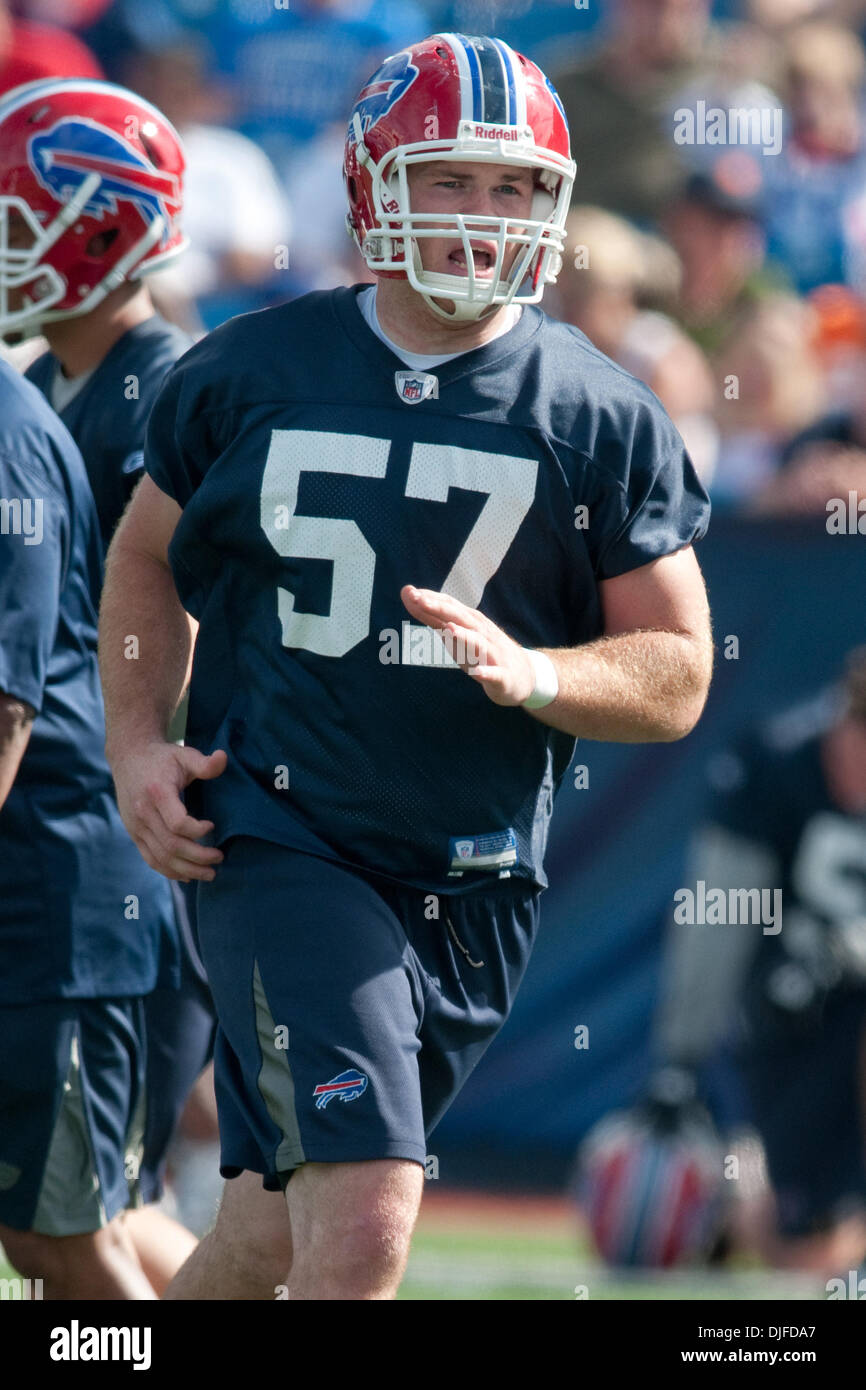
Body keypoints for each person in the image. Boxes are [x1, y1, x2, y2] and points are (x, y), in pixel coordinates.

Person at [99, 32, 715, 1301]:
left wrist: (537, 673)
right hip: (281, 834)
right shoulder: (250, 370)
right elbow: (143, 561)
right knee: (371, 1223)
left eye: (513, 187)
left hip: (473, 875)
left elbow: (677, 670)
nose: (485, 216)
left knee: (266, 1240)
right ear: (375, 182)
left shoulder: (596, 413)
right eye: (451, 179)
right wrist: (137, 745)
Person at [0, 75, 215, 1293]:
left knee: (76, 1227)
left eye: (20, 218)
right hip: (74, 822)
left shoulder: (175, 390)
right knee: (85, 1221)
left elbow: (164, 639)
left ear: (99, 227)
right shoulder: (39, 387)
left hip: (112, 839)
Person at [0, 357, 177, 1299]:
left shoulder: (7, 434)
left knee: (62, 1236)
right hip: (46, 875)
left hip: (48, 889)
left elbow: (5, 703)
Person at [652, 652, 866, 1274]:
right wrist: (679, 1060)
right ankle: (743, 1211)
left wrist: (849, 949)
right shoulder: (775, 765)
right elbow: (717, 918)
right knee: (796, 1246)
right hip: (784, 1025)